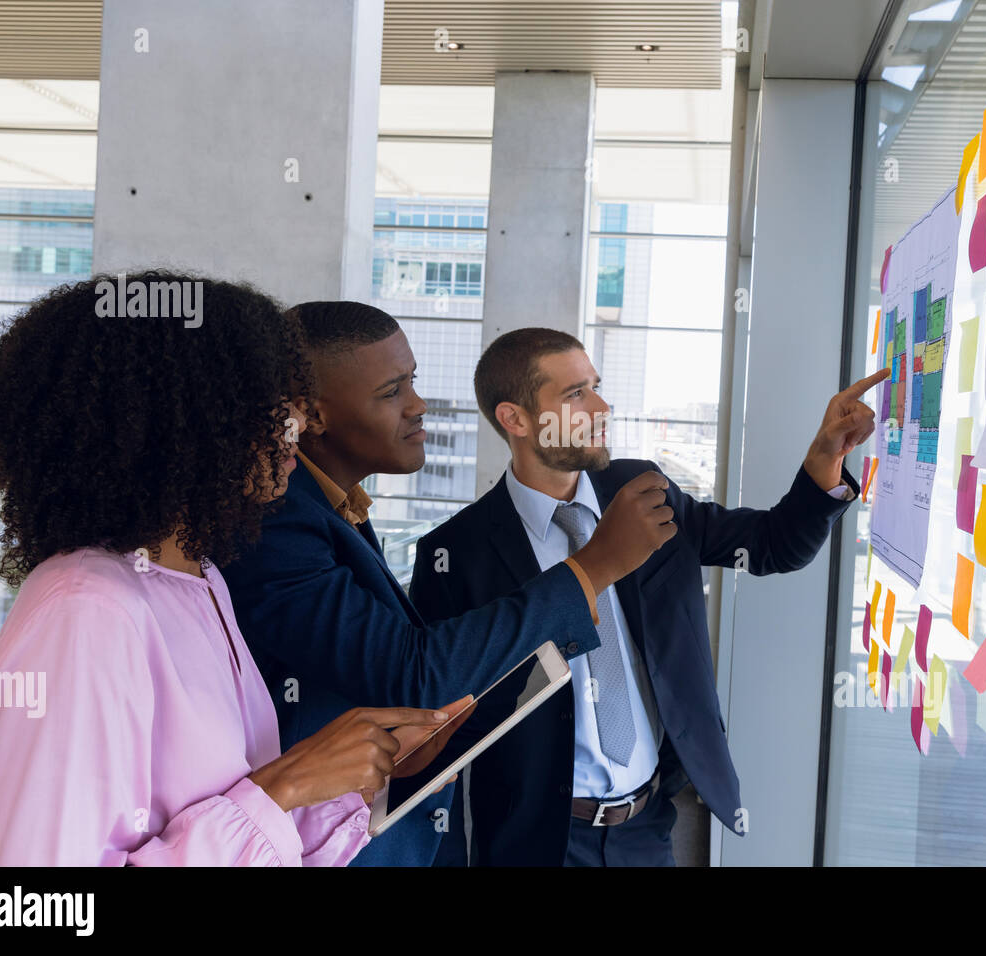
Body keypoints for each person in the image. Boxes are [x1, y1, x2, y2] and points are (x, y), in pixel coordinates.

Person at [0, 272, 463, 866]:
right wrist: (287, 785)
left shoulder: (198, 580)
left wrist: (360, 780)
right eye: (269, 405)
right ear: (172, 425)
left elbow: (240, 832)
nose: (296, 426)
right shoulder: (87, 609)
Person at [410, 328, 888, 866]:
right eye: (575, 395)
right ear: (515, 419)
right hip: (536, 843)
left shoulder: (644, 489)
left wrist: (824, 457)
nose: (602, 406)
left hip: (649, 827)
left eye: (596, 386)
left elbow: (771, 547)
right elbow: (436, 734)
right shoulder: (455, 554)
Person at [221, 300, 674, 867]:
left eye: (413, 381)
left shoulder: (341, 510)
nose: (418, 405)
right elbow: (410, 672)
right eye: (391, 392)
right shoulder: (277, 523)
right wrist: (595, 567)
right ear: (312, 416)